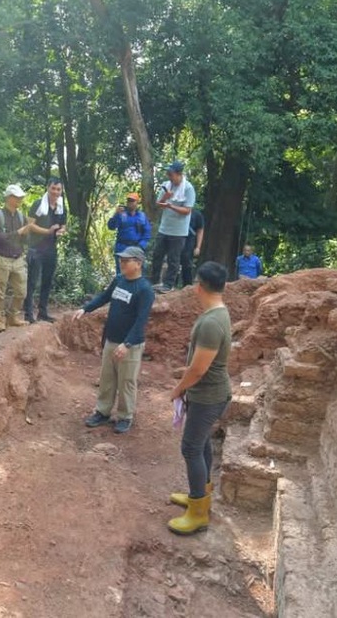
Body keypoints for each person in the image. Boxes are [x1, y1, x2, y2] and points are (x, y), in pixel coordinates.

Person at [164, 261, 231, 535]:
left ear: (199, 287)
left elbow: (199, 369)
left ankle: (198, 512)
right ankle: (199, 493)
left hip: (208, 396)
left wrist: (178, 388)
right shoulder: (217, 313)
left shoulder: (212, 322)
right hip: (209, 394)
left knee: (191, 448)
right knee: (201, 444)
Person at [73, 246, 155, 434]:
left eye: (127, 260)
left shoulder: (145, 290)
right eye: (121, 260)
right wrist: (86, 309)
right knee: (107, 378)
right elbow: (104, 297)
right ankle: (102, 411)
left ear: (139, 263)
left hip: (130, 345)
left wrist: (127, 344)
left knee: (126, 381)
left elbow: (141, 321)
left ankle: (125, 416)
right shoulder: (119, 280)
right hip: (111, 339)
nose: (122, 263)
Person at [0, 184, 32, 332]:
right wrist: (19, 232)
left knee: (21, 292)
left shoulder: (22, 216)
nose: (20, 199)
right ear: (8, 198)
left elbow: (26, 239)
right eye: (17, 197)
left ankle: (13, 316)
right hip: (2, 258)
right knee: (0, 291)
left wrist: (27, 233)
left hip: (18, 258)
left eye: (20, 196)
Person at [23, 178, 67, 323]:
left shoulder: (61, 206)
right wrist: (47, 231)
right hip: (36, 248)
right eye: (53, 188)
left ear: (61, 191)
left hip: (51, 248)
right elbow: (30, 225)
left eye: (58, 189)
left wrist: (61, 231)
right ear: (48, 188)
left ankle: (43, 312)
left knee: (47, 281)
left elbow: (63, 225)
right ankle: (28, 314)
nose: (55, 192)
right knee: (32, 282)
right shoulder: (38, 204)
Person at [149, 161, 195, 293]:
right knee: (157, 255)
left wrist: (170, 205)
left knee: (173, 259)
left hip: (179, 231)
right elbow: (158, 204)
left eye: (171, 174)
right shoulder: (166, 186)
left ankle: (168, 285)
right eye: (168, 173)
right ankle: (154, 281)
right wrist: (166, 197)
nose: (169, 176)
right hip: (164, 228)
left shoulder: (188, 188)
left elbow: (187, 210)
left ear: (179, 174)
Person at [108, 192, 152, 275]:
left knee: (138, 272)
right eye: (128, 201)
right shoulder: (121, 214)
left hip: (136, 247)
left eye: (132, 201)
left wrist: (141, 246)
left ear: (137, 203)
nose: (130, 203)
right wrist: (115, 214)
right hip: (122, 247)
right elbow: (111, 227)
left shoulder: (142, 216)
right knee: (121, 272)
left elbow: (147, 233)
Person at [180, 208, 206, 287]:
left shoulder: (196, 214)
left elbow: (200, 230)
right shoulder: (176, 211)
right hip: (176, 239)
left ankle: (187, 285)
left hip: (189, 240)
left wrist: (198, 247)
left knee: (187, 263)